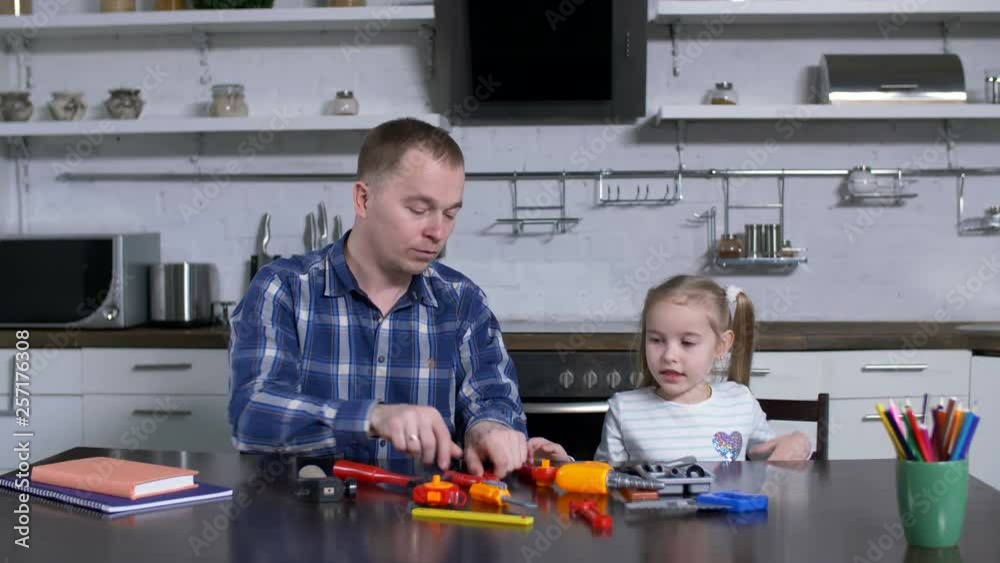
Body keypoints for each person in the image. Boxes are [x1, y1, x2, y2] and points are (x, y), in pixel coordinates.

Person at [227, 117, 565, 478]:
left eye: (450, 213)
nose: (438, 232)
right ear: (363, 199)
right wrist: (373, 417)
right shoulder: (284, 289)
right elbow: (251, 416)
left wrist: (489, 429)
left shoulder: (464, 303)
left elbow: (494, 400)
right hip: (303, 523)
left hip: (430, 524)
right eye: (419, 210)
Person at [594, 275, 812, 465]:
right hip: (650, 514)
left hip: (727, 514)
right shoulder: (624, 410)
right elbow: (603, 481)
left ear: (721, 346)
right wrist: (567, 464)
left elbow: (770, 459)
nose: (669, 355)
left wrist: (799, 440)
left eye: (687, 343)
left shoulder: (740, 402)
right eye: (656, 340)